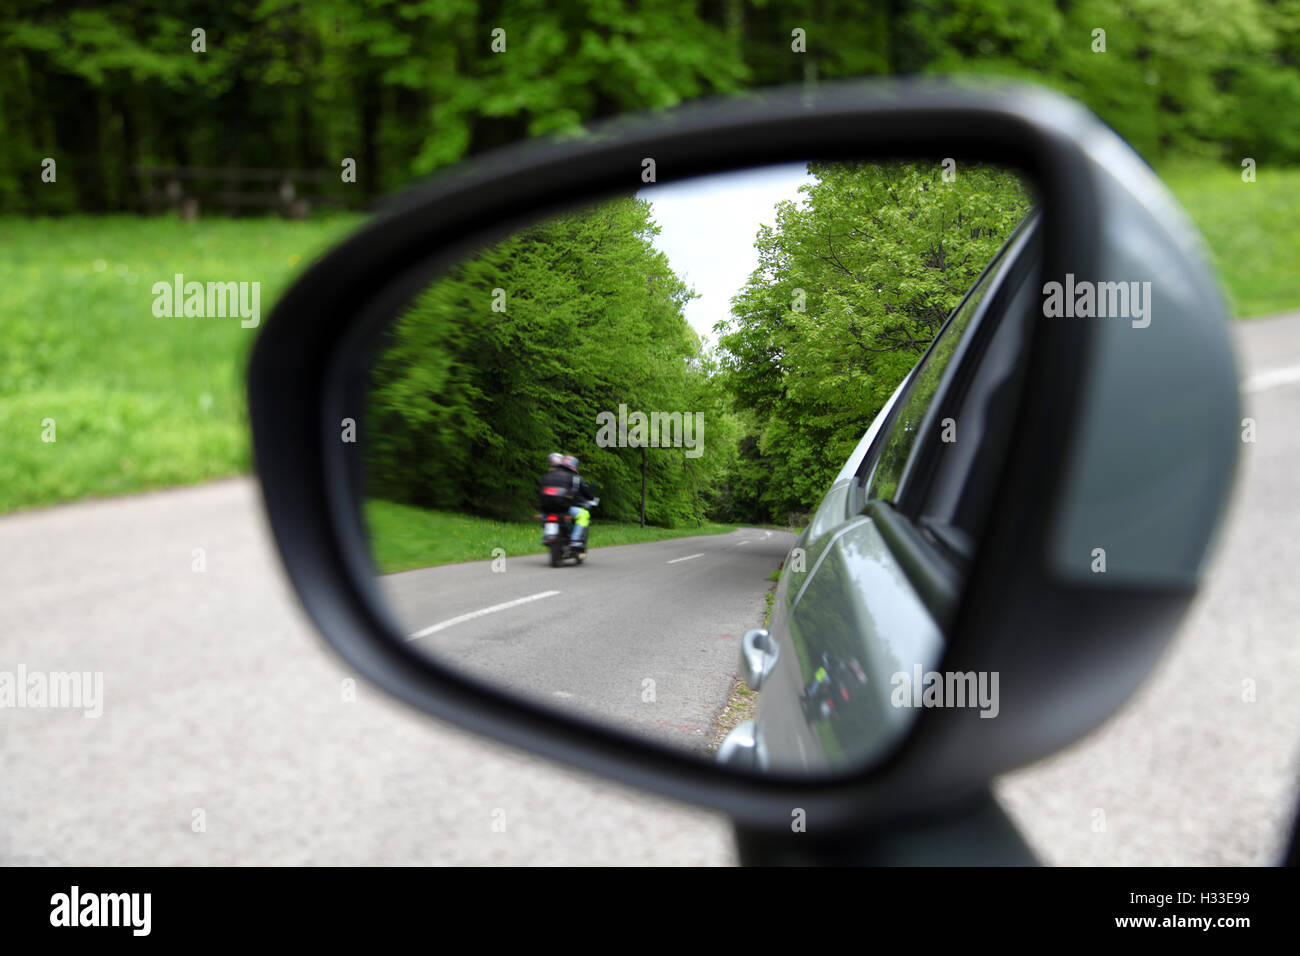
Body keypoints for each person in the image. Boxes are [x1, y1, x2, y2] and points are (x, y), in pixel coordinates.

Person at [536, 452, 595, 548]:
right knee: (584, 515)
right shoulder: (574, 477)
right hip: (564, 508)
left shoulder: (547, 475)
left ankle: (547, 534)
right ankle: (575, 539)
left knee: (545, 516)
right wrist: (592, 499)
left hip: (546, 508)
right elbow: (585, 492)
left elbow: (539, 491)